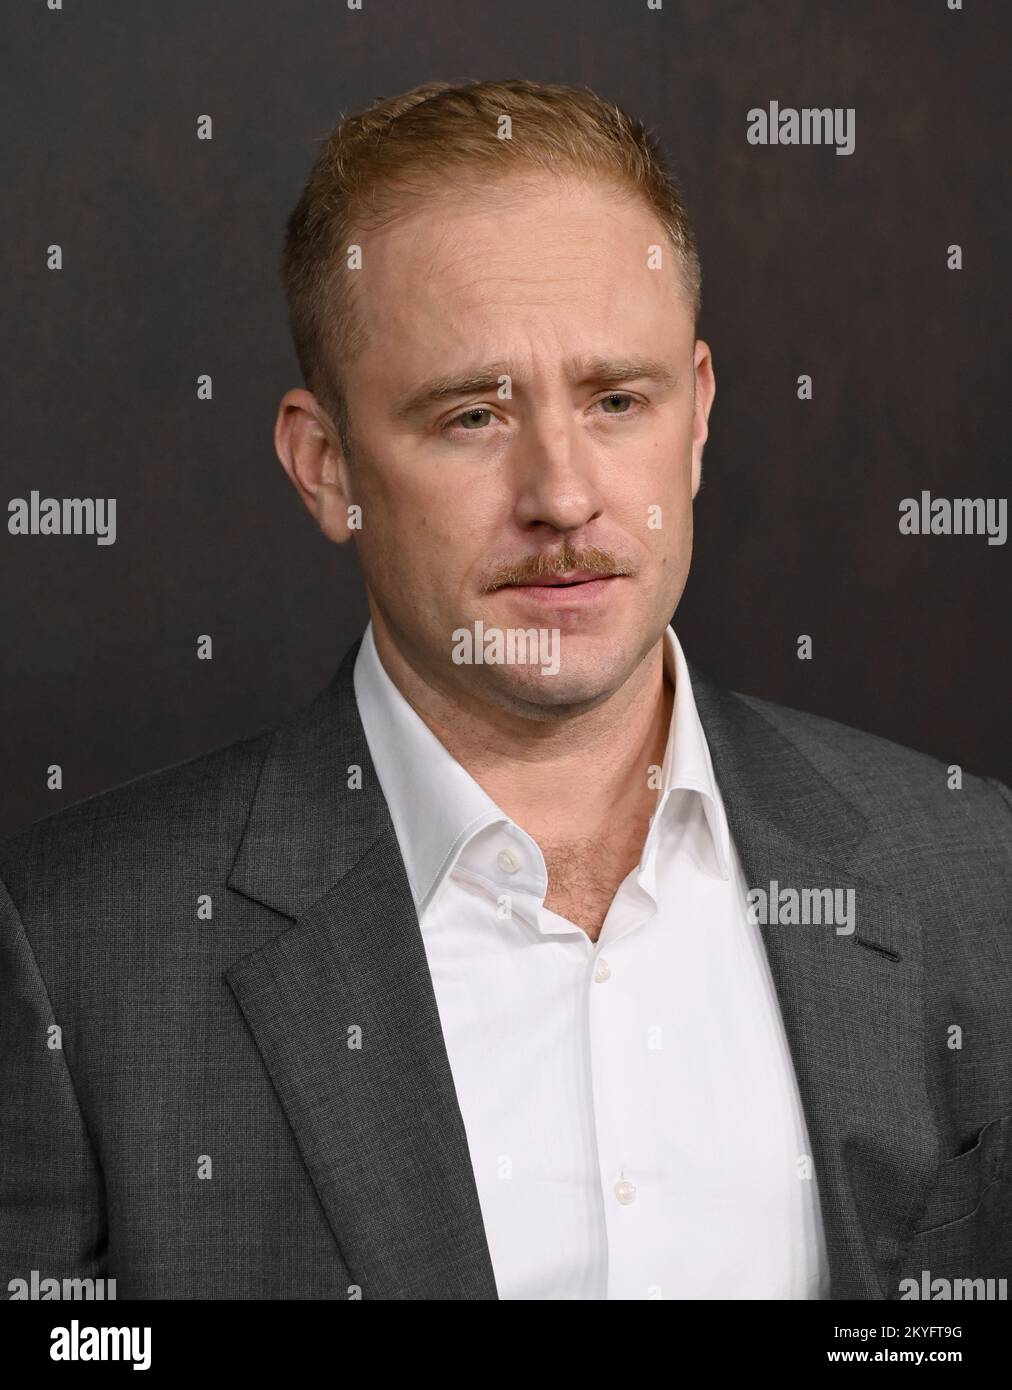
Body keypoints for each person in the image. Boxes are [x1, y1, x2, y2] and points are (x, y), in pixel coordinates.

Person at [2, 79, 1009, 1302]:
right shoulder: (71, 954)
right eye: (473, 415)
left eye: (615, 401)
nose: (564, 495)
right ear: (326, 467)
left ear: (695, 417)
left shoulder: (974, 874)